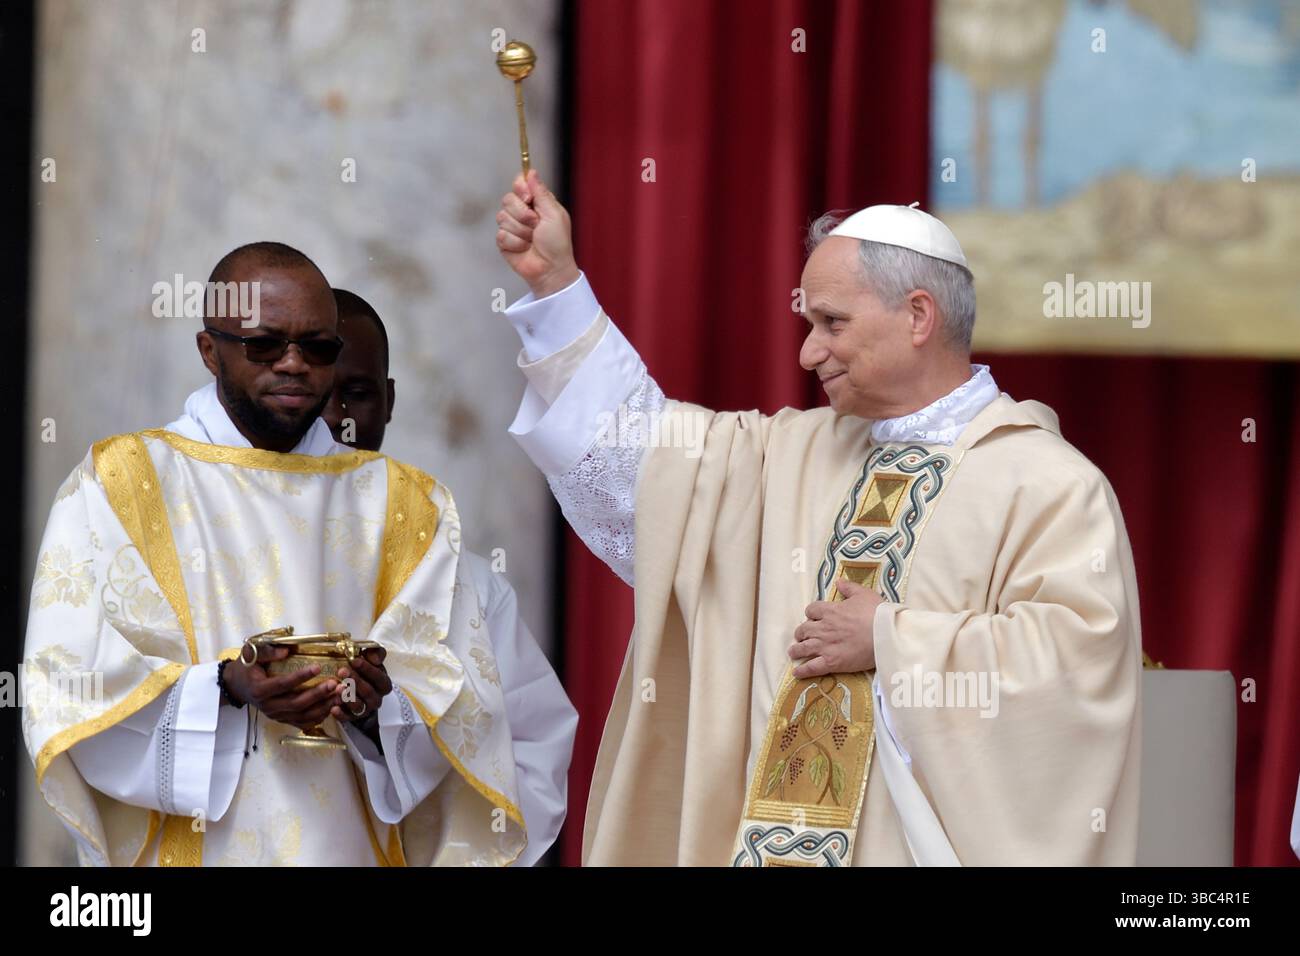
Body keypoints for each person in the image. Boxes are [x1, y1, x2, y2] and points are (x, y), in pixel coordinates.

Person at [494, 172, 1143, 866]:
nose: (808, 352)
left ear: (919, 316)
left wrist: (893, 643)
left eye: (832, 323)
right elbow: (642, 460)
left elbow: (1076, 675)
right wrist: (557, 286)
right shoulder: (786, 454)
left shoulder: (1047, 485)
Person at [23, 242, 533, 866]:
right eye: (265, 345)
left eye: (318, 348)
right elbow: (68, 688)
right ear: (209, 350)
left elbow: (463, 712)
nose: (293, 365)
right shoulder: (121, 484)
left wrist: (377, 709)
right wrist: (224, 688)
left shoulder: (405, 505)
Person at [322, 286, 577, 864]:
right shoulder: (221, 566)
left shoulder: (468, 587)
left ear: (387, 401)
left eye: (356, 394)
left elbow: (533, 754)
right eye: (316, 395)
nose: (336, 419)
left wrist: (384, 726)